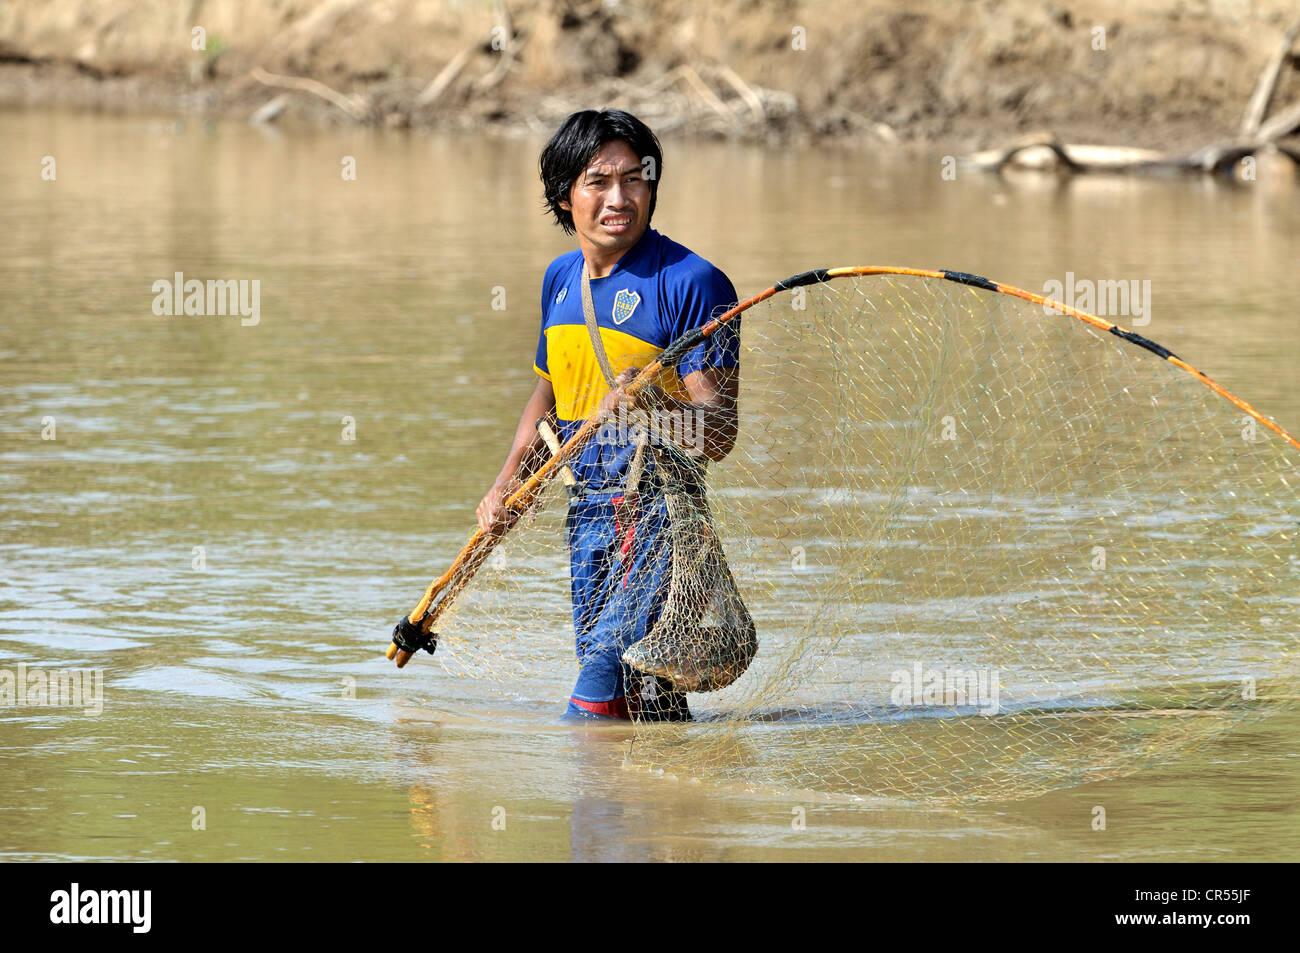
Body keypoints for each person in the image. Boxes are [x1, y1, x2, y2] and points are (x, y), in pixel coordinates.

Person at [476, 109, 740, 722]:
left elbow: (719, 433)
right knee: (643, 709)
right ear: (563, 196)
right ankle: (688, 784)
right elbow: (547, 399)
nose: (619, 198)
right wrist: (507, 483)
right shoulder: (559, 279)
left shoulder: (694, 283)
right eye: (598, 181)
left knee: (591, 708)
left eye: (634, 179)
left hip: (663, 522)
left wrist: (653, 405)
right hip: (588, 518)